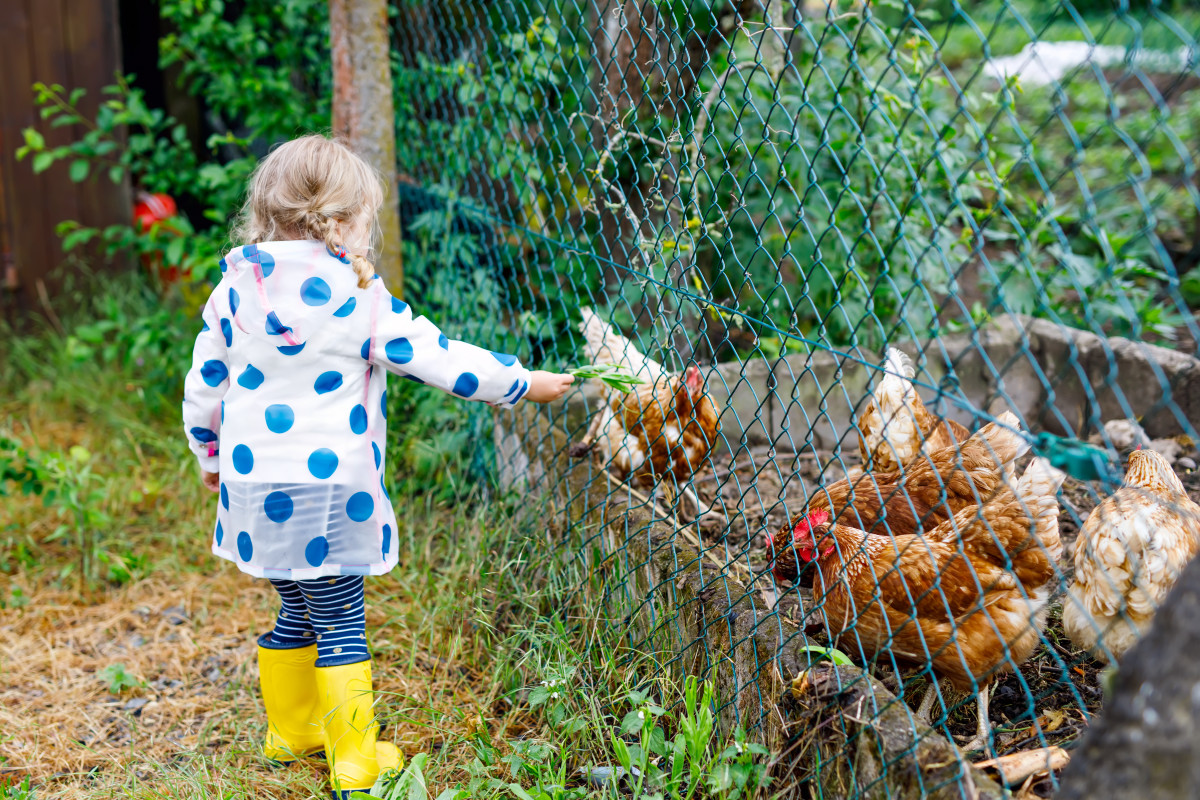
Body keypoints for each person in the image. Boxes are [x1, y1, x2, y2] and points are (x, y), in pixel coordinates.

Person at [181, 134, 573, 797]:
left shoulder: (235, 290)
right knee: (339, 618)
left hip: (253, 488)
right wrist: (520, 380)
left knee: (298, 605)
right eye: (364, 219)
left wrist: (209, 455)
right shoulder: (351, 299)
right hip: (327, 491)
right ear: (339, 223)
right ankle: (355, 758)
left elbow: (203, 384)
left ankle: (293, 728)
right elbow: (438, 356)